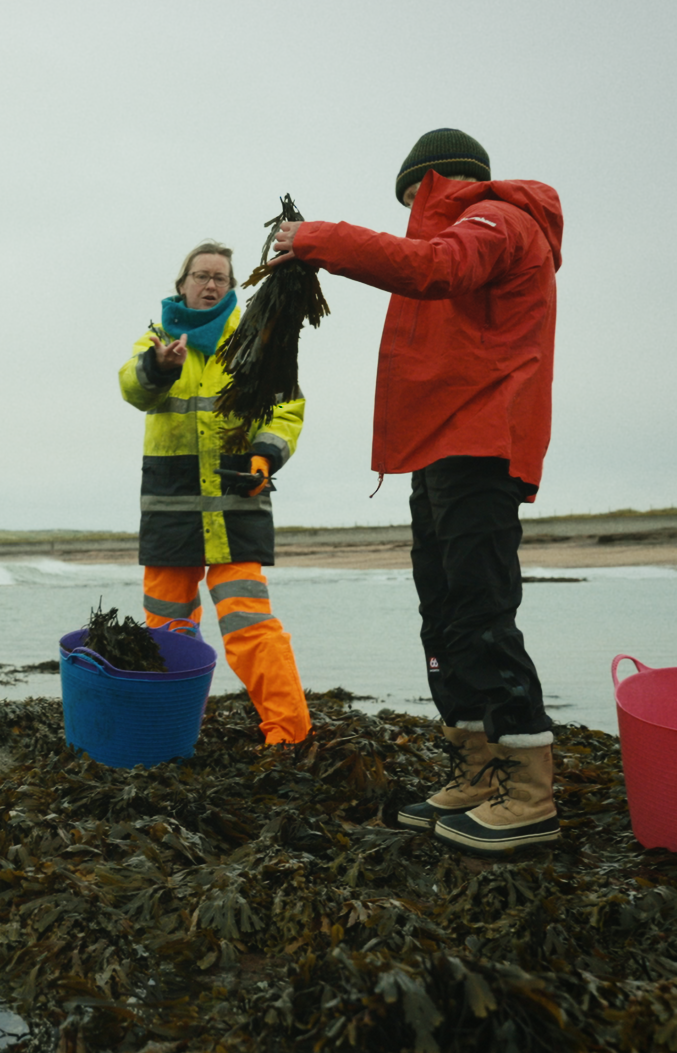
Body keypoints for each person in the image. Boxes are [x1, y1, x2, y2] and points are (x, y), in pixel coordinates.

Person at [270, 128, 563, 854]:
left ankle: (527, 793)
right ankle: (474, 771)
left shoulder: (497, 217)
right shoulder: (475, 222)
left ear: (437, 181)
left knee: (479, 610)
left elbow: (436, 267)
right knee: (442, 616)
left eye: (415, 198)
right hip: (440, 446)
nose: (413, 213)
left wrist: (318, 238)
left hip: (483, 440)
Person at [119, 240, 311, 745]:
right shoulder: (156, 337)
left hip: (236, 504)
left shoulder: (256, 338)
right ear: (182, 284)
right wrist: (159, 367)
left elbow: (287, 408)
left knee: (250, 625)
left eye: (220, 278)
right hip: (171, 512)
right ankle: (170, 733)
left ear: (232, 286)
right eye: (201, 276)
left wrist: (265, 456)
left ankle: (288, 735)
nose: (210, 285)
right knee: (165, 633)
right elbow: (132, 390)